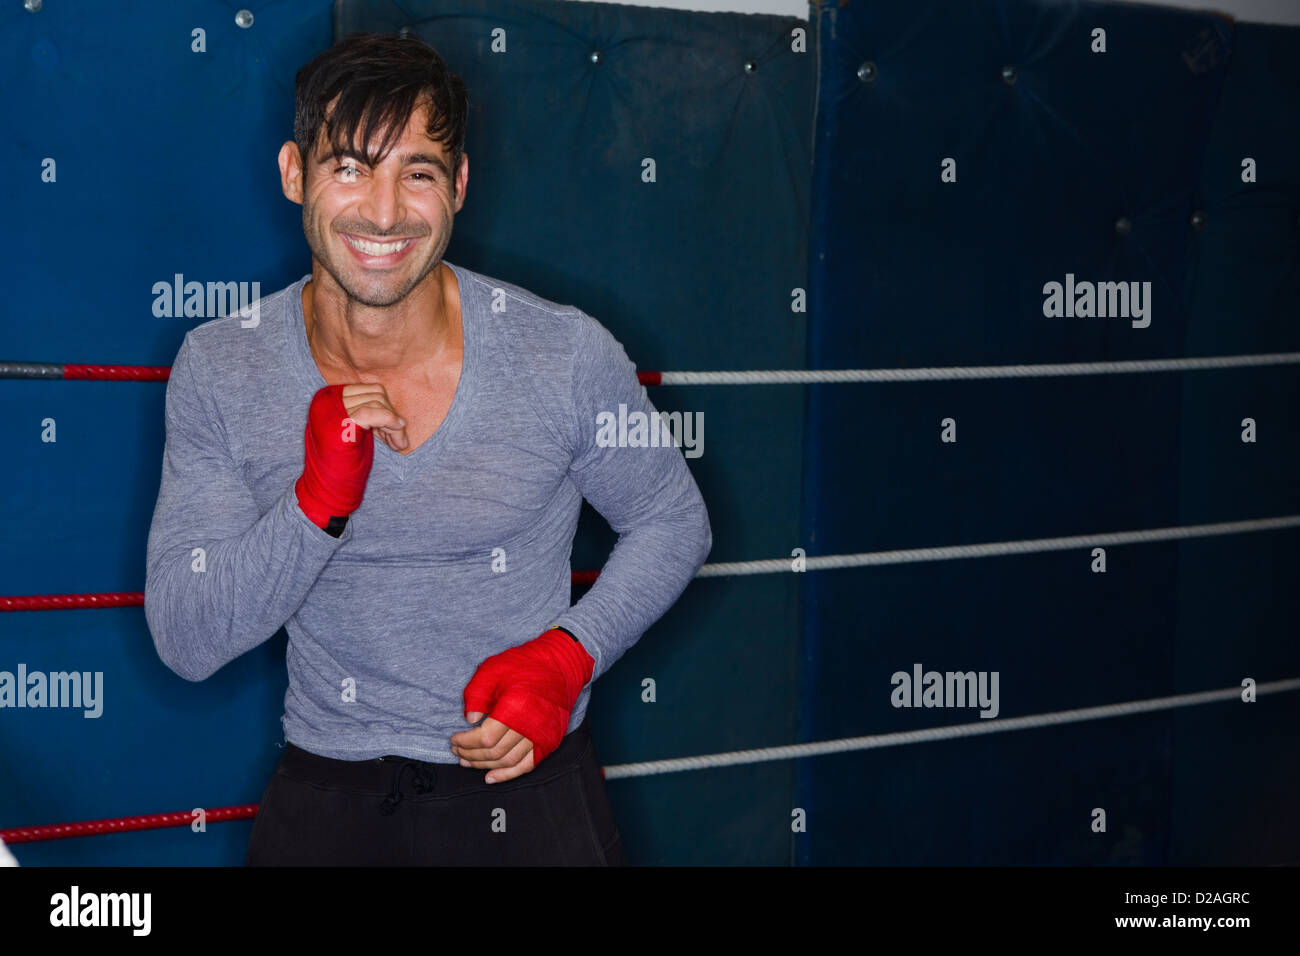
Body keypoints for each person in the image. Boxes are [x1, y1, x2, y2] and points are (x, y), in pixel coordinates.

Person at [143, 31, 711, 866]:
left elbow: (672, 521)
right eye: (349, 167)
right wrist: (316, 505)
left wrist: (569, 656)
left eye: (417, 172)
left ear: (460, 186)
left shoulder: (561, 352)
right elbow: (188, 640)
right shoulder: (224, 366)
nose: (383, 212)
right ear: (295, 174)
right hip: (329, 803)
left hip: (528, 798)